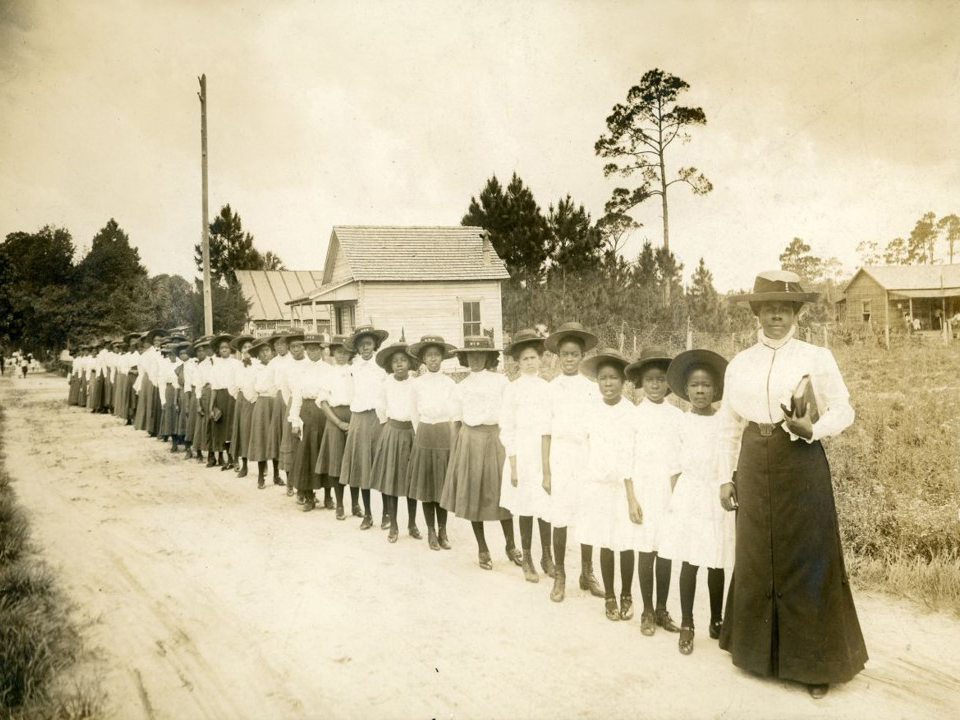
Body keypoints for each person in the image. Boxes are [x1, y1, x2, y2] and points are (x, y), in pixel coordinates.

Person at [717, 270, 867, 699]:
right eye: (768, 308)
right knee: (756, 551)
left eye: (785, 308)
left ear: (797, 312)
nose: (776, 316)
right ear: (756, 312)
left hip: (800, 457)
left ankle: (815, 665)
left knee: (807, 555)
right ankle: (756, 656)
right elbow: (729, 424)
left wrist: (813, 430)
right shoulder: (740, 363)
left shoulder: (816, 357)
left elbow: (843, 409)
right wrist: (725, 477)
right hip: (752, 458)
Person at [657, 349, 732, 656]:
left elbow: (730, 457)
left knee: (716, 560)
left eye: (706, 385)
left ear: (716, 389)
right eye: (695, 385)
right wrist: (680, 501)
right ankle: (688, 623)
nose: (700, 391)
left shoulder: (724, 422)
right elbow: (674, 465)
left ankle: (717, 619)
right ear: (685, 390)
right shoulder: (680, 423)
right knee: (690, 560)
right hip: (690, 493)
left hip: (716, 493)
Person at [440, 336, 521, 571]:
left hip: (497, 438)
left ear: (488, 357)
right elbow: (456, 420)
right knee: (473, 493)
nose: (475, 359)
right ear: (465, 358)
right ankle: (482, 548)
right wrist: (458, 450)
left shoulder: (501, 381)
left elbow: (511, 414)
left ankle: (511, 545)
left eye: (480, 355)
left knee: (502, 492)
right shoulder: (461, 387)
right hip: (470, 440)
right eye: (471, 355)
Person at [574, 348, 639, 622]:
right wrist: (587, 482)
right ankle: (610, 595)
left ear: (623, 381)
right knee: (605, 541)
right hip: (598, 485)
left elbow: (634, 453)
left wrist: (632, 495)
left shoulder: (631, 412)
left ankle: (627, 595)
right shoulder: (590, 411)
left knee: (625, 542)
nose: (608, 383)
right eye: (603, 378)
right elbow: (584, 448)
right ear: (597, 381)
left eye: (613, 378)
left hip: (624, 487)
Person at [541, 322, 603, 602]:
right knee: (561, 517)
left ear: (582, 357)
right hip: (561, 456)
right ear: (558, 356)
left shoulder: (591, 388)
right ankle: (561, 575)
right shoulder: (551, 389)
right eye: (565, 354)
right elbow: (545, 433)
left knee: (587, 515)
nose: (569, 359)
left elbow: (596, 430)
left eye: (574, 354)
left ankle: (587, 572)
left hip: (585, 455)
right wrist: (546, 472)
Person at [624, 347, 683, 635]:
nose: (656, 385)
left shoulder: (677, 416)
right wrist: (631, 499)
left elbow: (679, 461)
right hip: (644, 490)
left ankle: (662, 609)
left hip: (668, 491)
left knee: (666, 551)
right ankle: (646, 609)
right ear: (641, 383)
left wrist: (678, 499)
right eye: (650, 380)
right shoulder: (634, 416)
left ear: (668, 383)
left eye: (661, 379)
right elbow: (626, 462)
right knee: (646, 550)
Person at [499, 328, 553, 583]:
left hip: (544, 455)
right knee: (525, 506)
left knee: (545, 505)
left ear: (540, 359)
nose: (530, 362)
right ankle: (528, 558)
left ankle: (547, 556)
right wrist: (513, 464)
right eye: (525, 359)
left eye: (533, 357)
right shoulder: (512, 390)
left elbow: (551, 425)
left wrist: (550, 462)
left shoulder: (547, 388)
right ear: (517, 363)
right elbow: (507, 427)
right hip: (522, 455)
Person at [406, 335, 457, 551]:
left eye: (436, 355)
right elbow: (413, 413)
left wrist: (450, 434)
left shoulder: (450, 383)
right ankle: (431, 530)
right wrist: (421, 432)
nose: (433, 359)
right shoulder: (416, 384)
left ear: (442, 358)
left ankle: (443, 530)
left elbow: (454, 412)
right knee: (427, 485)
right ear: (423, 359)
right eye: (429, 355)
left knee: (442, 485)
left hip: (444, 433)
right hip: (425, 432)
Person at [339, 325, 389, 530]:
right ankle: (367, 513)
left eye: (368, 344)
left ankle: (387, 513)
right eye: (361, 345)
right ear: (357, 348)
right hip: (359, 419)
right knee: (361, 468)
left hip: (379, 419)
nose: (365, 348)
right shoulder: (352, 370)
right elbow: (348, 395)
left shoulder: (383, 368)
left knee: (383, 466)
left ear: (375, 345)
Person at [370, 341, 419, 542]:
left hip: (412, 433)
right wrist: (388, 430)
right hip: (392, 431)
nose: (399, 364)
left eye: (403, 360)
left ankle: (412, 524)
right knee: (391, 480)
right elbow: (380, 408)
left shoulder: (415, 384)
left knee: (411, 480)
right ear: (390, 365)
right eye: (395, 361)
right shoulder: (386, 384)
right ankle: (394, 526)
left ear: (409, 363)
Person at [288, 334, 330, 511]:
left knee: (324, 453)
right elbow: (296, 396)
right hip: (306, 412)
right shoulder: (301, 370)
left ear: (321, 350)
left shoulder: (328, 369)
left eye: (315, 349)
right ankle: (309, 497)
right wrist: (294, 421)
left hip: (324, 412)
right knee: (306, 455)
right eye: (309, 349)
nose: (312, 352)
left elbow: (330, 391)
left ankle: (328, 497)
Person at [316, 335, 354, 518]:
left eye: (345, 352)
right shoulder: (328, 373)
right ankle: (339, 504)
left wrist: (354, 422)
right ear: (332, 353)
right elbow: (323, 402)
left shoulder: (355, 372)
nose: (342, 356)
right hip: (334, 418)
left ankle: (356, 504)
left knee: (354, 462)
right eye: (338, 352)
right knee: (336, 462)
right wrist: (338, 423)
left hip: (354, 417)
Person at [246, 337, 281, 489]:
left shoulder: (277, 366)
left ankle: (276, 475)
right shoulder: (255, 369)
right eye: (262, 351)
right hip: (262, 403)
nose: (265, 354)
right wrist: (257, 402)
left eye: (267, 350)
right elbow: (248, 389)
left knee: (276, 437)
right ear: (257, 354)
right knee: (262, 438)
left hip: (276, 402)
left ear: (272, 352)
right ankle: (261, 476)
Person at [207, 334, 238, 469]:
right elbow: (214, 388)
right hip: (220, 397)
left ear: (231, 349)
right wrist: (211, 406)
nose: (224, 349)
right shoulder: (216, 366)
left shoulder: (236, 363)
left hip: (233, 397)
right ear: (218, 350)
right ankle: (229, 459)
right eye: (222, 348)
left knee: (232, 428)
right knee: (222, 430)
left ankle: (235, 459)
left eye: (226, 347)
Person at [229, 335, 255, 476]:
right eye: (244, 347)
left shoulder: (258, 365)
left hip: (256, 400)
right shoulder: (237, 366)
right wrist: (240, 397)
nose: (247, 349)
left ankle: (262, 464)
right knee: (243, 432)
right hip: (242, 401)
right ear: (241, 350)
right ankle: (244, 464)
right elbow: (232, 385)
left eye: (250, 347)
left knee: (257, 431)